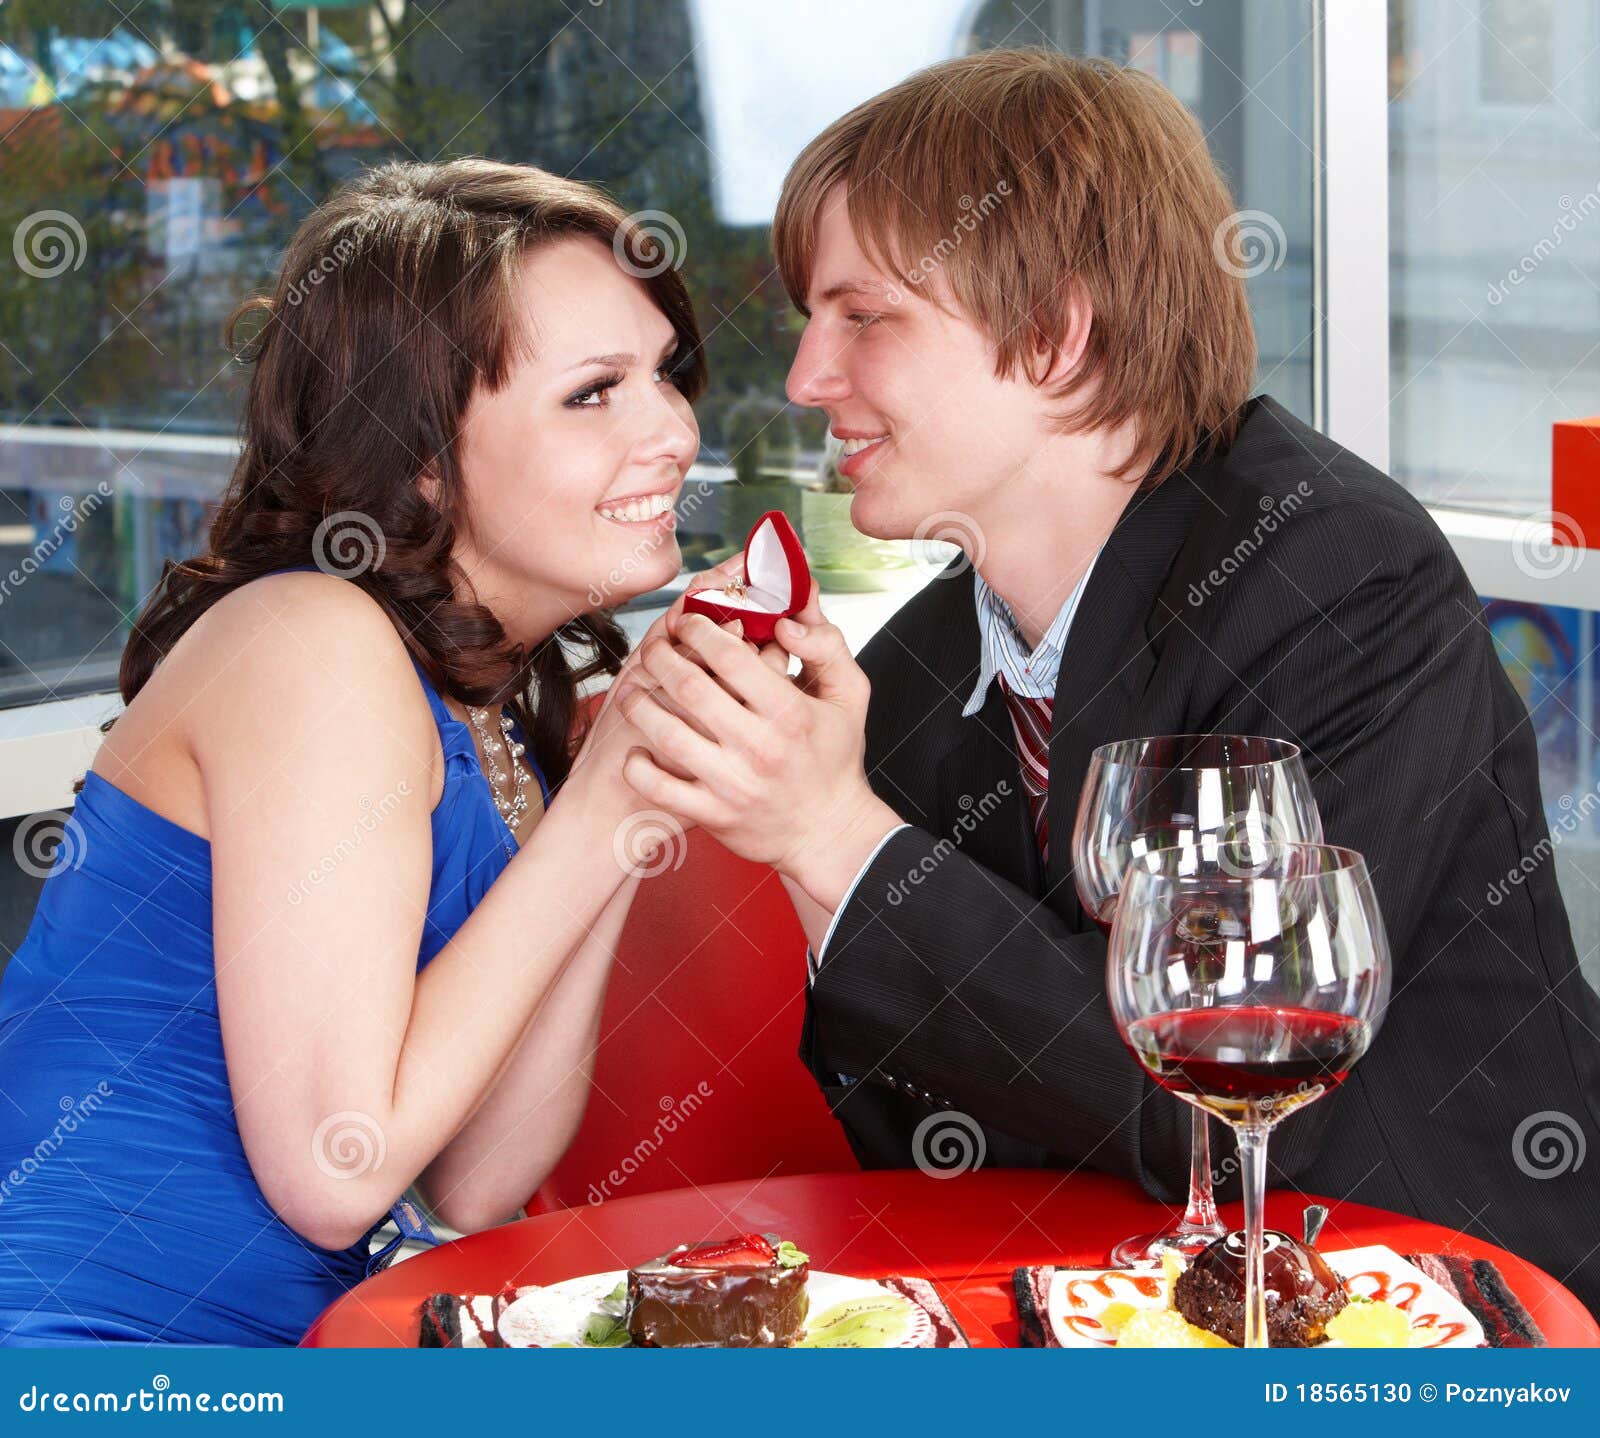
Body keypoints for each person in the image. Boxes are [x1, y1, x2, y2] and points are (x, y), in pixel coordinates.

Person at [615, 49, 1600, 1318]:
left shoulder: (1332, 572)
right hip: (1116, 1321)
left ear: (1055, 333)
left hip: (1445, 1313)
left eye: (864, 317)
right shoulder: (917, 667)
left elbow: (1218, 1096)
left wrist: (830, 834)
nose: (807, 377)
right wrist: (813, 844)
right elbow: (930, 1127)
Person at [0, 158, 750, 1345]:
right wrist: (604, 794)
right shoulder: (316, 642)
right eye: (594, 393)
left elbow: (475, 1178)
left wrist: (628, 793)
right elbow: (335, 1174)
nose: (672, 430)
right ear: (421, 458)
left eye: (665, 375)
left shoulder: (490, 709)